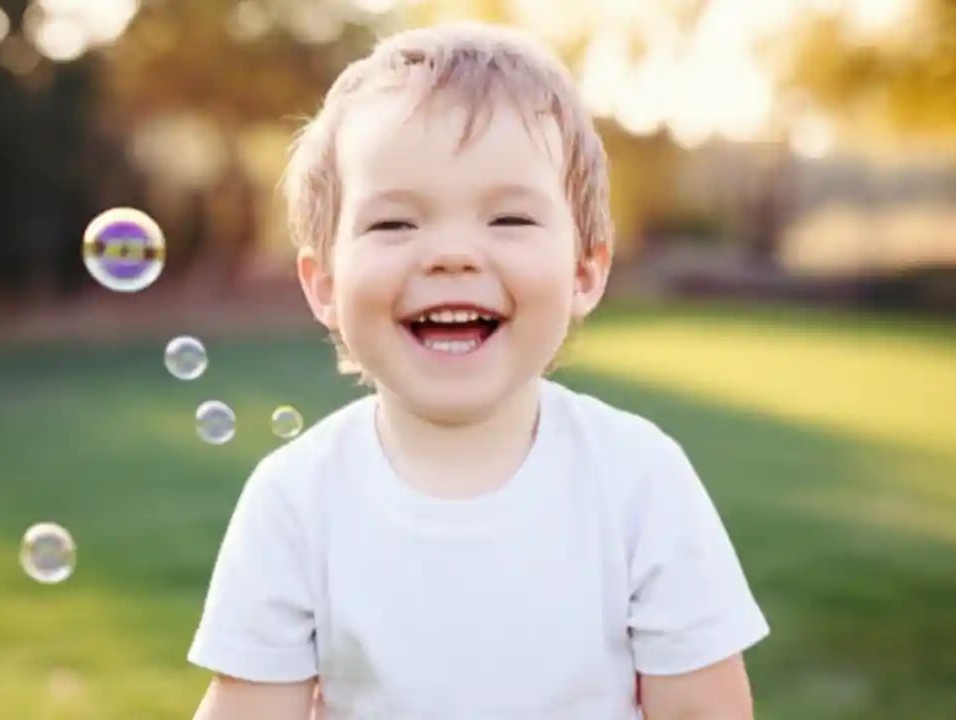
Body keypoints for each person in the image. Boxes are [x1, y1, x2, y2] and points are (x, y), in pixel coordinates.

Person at [187, 21, 770, 720]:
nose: (452, 254)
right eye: (395, 225)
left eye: (509, 220)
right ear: (324, 286)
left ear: (586, 270)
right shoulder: (294, 501)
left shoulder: (639, 481)